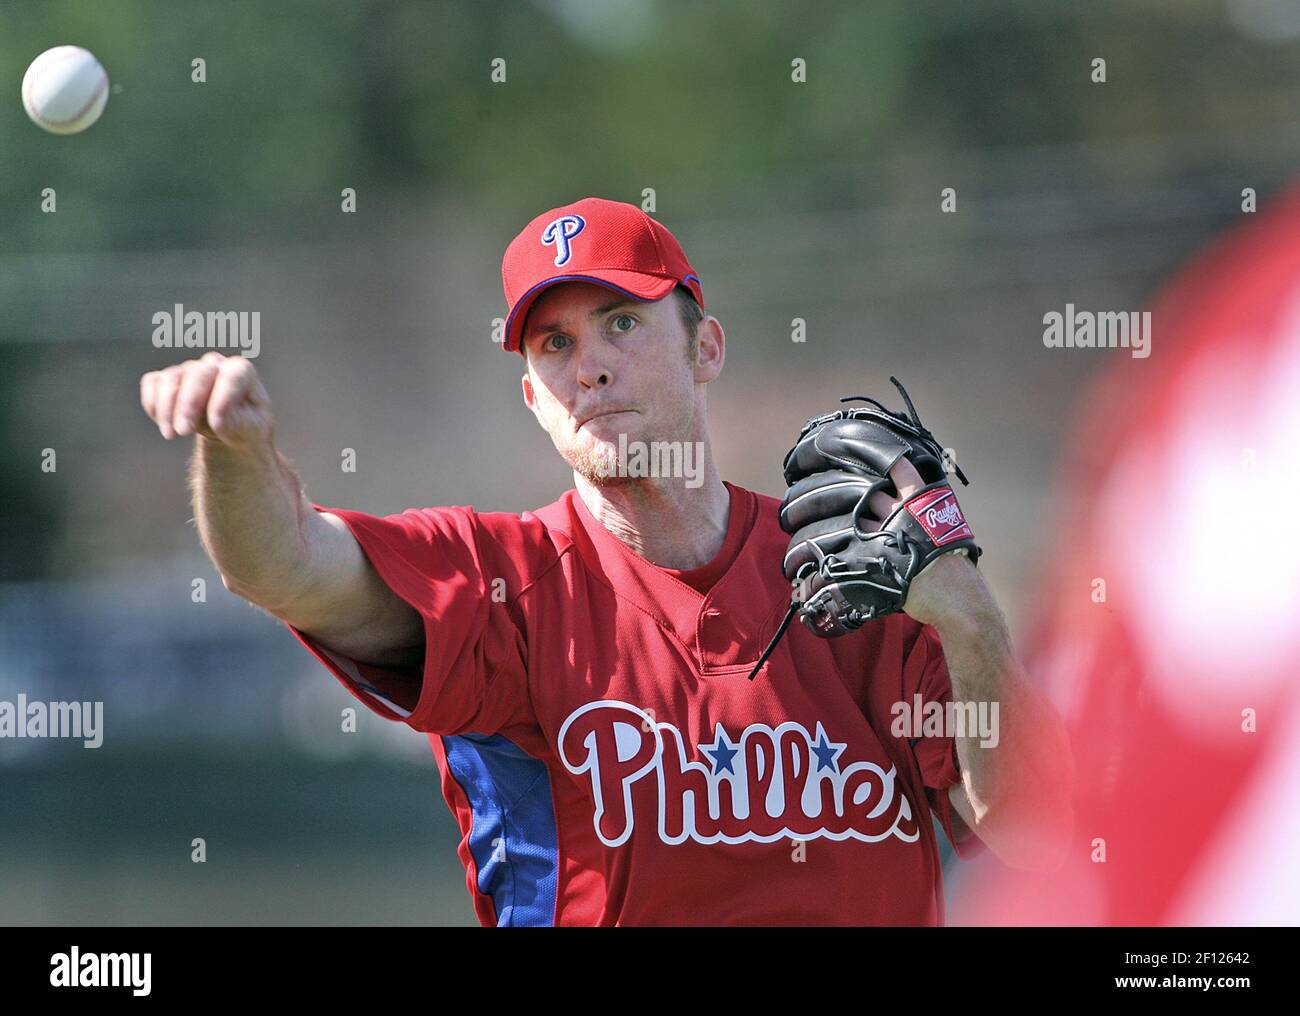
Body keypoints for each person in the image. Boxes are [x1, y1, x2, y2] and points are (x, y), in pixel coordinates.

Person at [139, 196, 1072, 926]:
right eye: (556, 343)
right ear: (534, 398)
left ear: (705, 347)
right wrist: (236, 450)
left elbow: (1040, 833)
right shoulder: (501, 582)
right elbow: (284, 568)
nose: (589, 366)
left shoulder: (859, 577)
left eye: (621, 323)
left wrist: (970, 617)